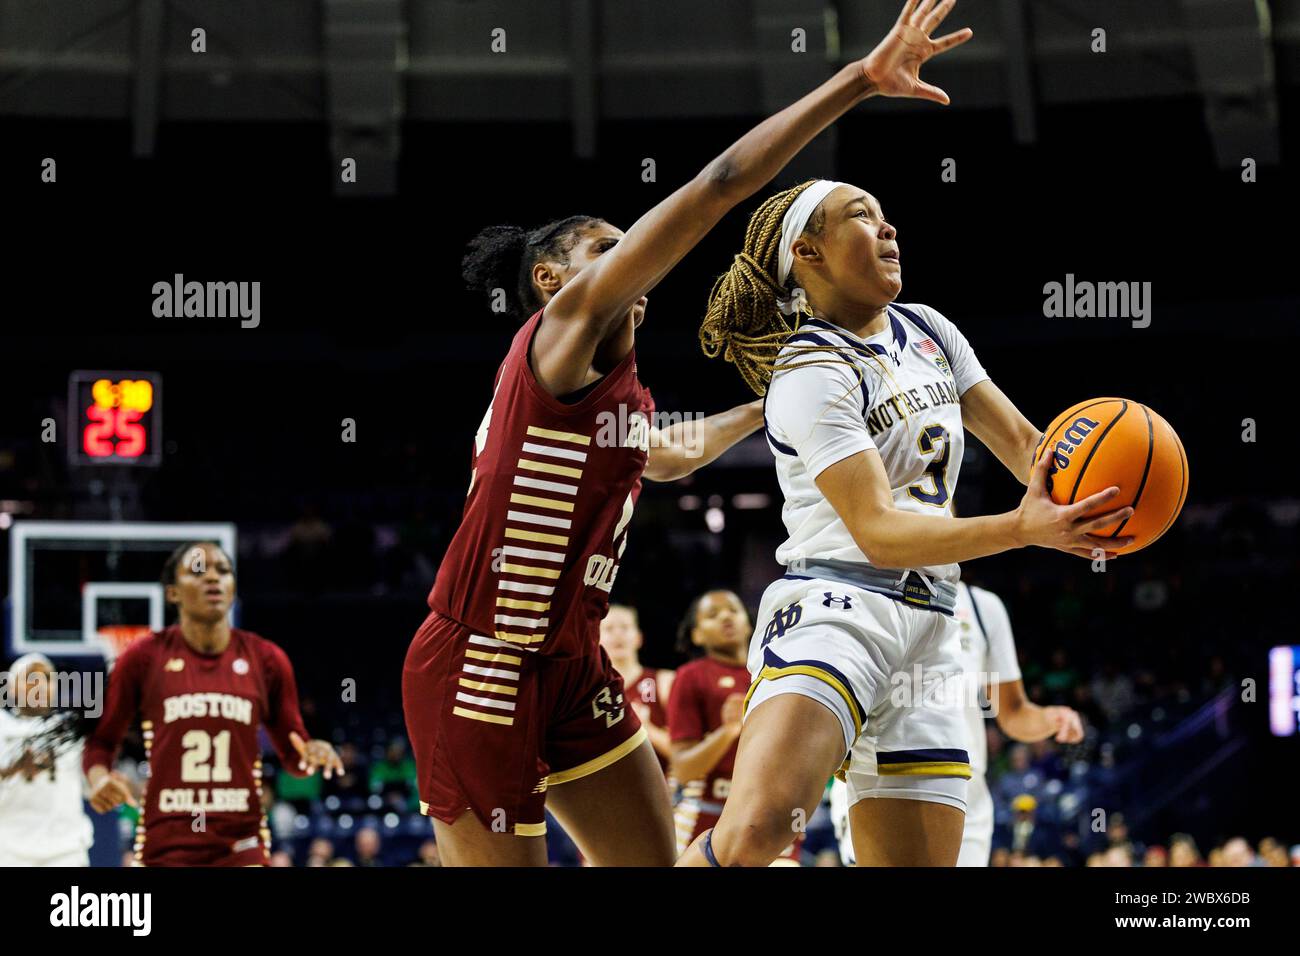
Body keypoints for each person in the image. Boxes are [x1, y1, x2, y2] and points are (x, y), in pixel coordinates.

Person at [400, 0, 977, 868]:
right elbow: (720, 185)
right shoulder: (561, 333)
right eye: (609, 246)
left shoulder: (614, 395)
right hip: (481, 661)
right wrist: (858, 80)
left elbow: (668, 451)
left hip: (572, 662)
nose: (630, 252)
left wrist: (769, 399)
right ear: (555, 279)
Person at [678, 5, 1135, 868]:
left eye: (886, 214)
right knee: (752, 842)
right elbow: (878, 529)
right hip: (839, 605)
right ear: (805, 257)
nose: (887, 226)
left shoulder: (928, 328)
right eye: (861, 214)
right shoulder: (811, 368)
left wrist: (1105, 491)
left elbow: (1031, 449)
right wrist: (1022, 529)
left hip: (935, 623)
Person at [82, 541, 343, 866]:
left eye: (223, 570)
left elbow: (295, 757)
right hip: (167, 840)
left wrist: (311, 756)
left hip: (241, 842)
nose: (213, 578)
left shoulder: (267, 659)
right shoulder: (142, 658)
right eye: (198, 570)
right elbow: (102, 742)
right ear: (172, 593)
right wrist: (99, 779)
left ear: (233, 588)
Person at [831, 578, 1084, 866]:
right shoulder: (871, 582)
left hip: (964, 787)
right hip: (876, 775)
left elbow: (1013, 713)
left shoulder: (983, 606)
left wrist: (1049, 718)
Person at [667, 591, 797, 864]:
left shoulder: (782, 670)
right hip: (703, 811)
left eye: (733, 611)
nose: (726, 616)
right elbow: (683, 768)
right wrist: (727, 731)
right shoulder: (691, 677)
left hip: (768, 810)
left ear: (749, 623)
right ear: (697, 635)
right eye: (713, 615)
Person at [0, 654, 95, 866]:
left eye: (46, 678)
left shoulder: (72, 730)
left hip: (65, 850)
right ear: (11, 687)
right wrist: (12, 768)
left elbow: (90, 787)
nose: (39, 685)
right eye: (30, 677)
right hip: (9, 849)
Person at [598, 605, 674, 772]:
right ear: (596, 639)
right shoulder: (587, 691)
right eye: (609, 628)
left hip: (663, 789)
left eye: (625, 627)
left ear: (639, 638)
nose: (618, 634)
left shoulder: (664, 681)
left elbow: (686, 756)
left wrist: (646, 727)